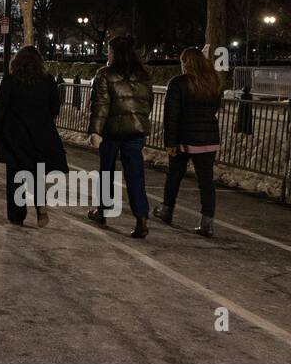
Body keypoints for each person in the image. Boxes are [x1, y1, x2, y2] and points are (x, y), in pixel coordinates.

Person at [0, 46, 68, 227]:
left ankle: (17, 215)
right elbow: (55, 107)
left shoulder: (11, 80)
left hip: (15, 136)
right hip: (40, 135)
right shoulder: (48, 80)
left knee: (16, 176)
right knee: (37, 174)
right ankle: (41, 206)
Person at [86, 35, 154, 237]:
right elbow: (147, 103)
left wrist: (95, 131)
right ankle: (141, 218)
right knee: (135, 175)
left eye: (110, 50)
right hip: (135, 130)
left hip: (112, 131)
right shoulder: (143, 75)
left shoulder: (105, 74)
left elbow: (101, 106)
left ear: (114, 53)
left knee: (106, 171)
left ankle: (103, 209)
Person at [154, 47, 223, 237]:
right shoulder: (213, 81)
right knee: (206, 181)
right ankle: (207, 222)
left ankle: (167, 210)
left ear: (185, 63)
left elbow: (171, 114)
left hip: (184, 137)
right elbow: (214, 109)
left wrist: (170, 141)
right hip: (208, 137)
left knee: (174, 175)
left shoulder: (179, 83)